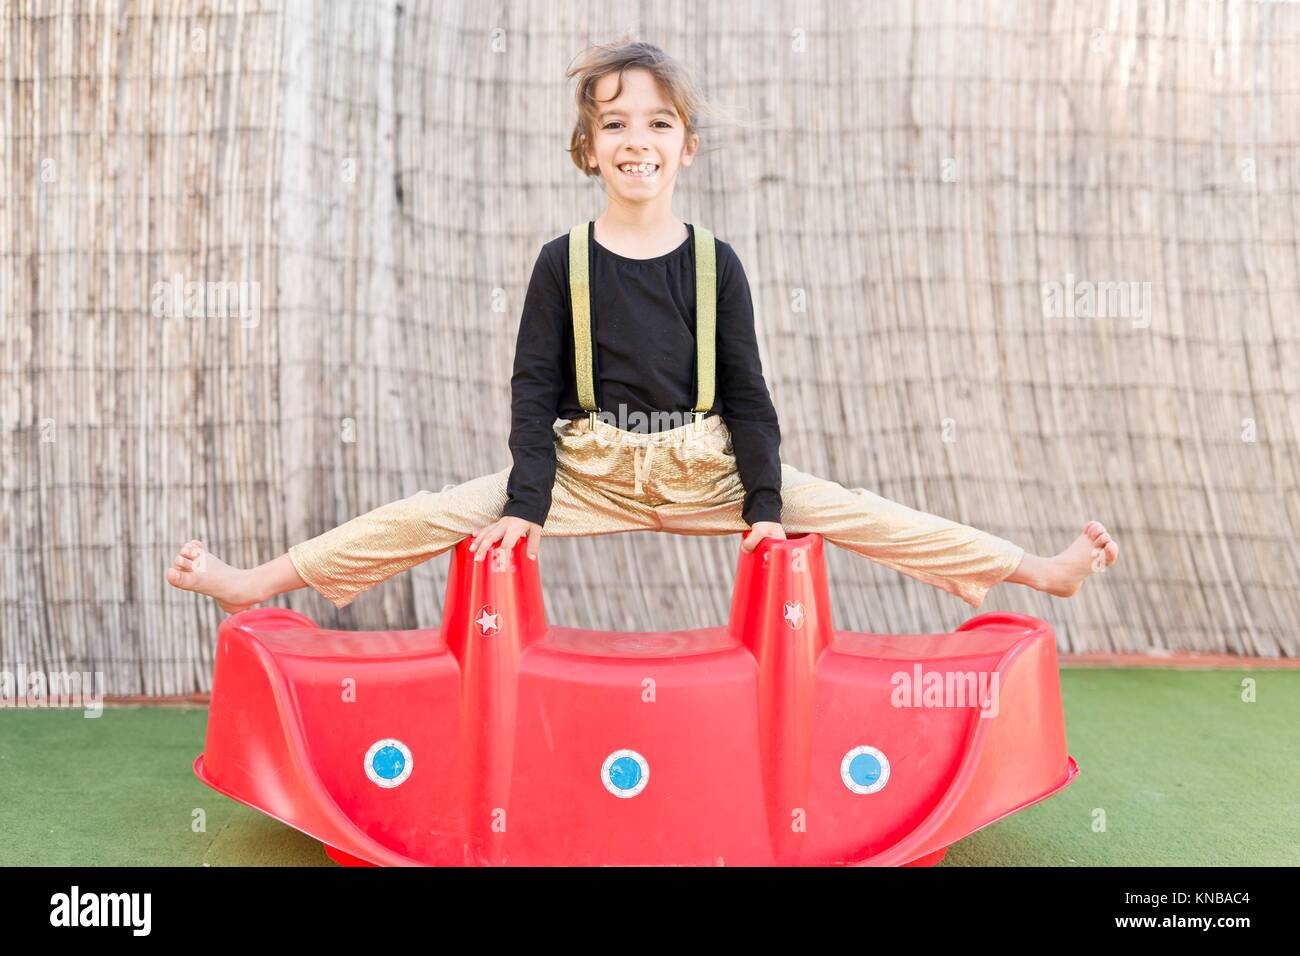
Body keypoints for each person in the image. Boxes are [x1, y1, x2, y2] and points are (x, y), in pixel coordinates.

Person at [165, 40, 1117, 617]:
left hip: (703, 463)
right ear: (590, 148)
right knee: (433, 512)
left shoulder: (716, 263)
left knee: (857, 507)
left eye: (658, 125)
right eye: (616, 124)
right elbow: (534, 392)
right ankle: (256, 583)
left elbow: (749, 396)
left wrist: (765, 507)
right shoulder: (560, 261)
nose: (637, 140)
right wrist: (525, 506)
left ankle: (1036, 572)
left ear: (685, 147)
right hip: (587, 470)